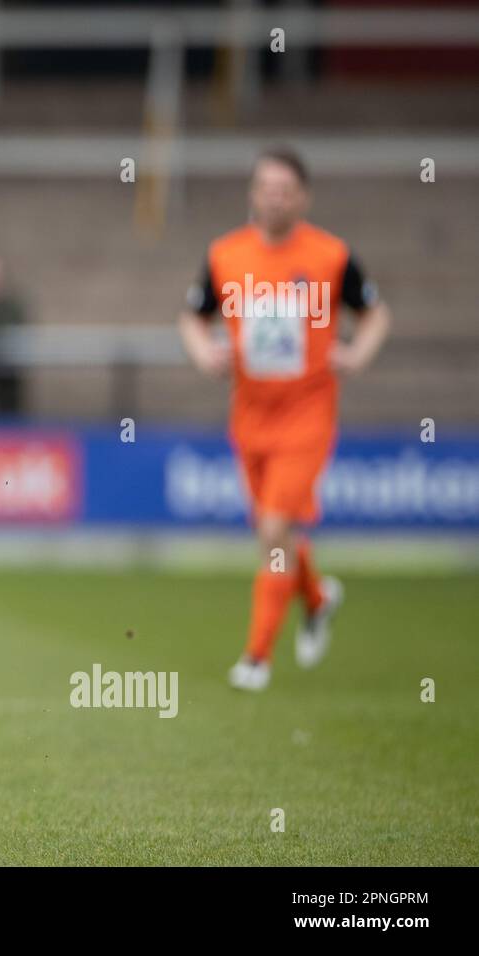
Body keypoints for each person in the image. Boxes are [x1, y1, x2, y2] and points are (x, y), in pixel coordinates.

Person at [177, 146, 391, 692]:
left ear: (303, 197)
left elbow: (375, 313)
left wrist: (358, 353)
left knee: (274, 529)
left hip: (308, 413)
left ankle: (256, 657)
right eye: (266, 187)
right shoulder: (226, 255)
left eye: (285, 189)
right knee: (273, 532)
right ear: (252, 194)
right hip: (249, 417)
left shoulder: (330, 256)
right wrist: (204, 352)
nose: (274, 197)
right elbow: (192, 316)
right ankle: (318, 599)